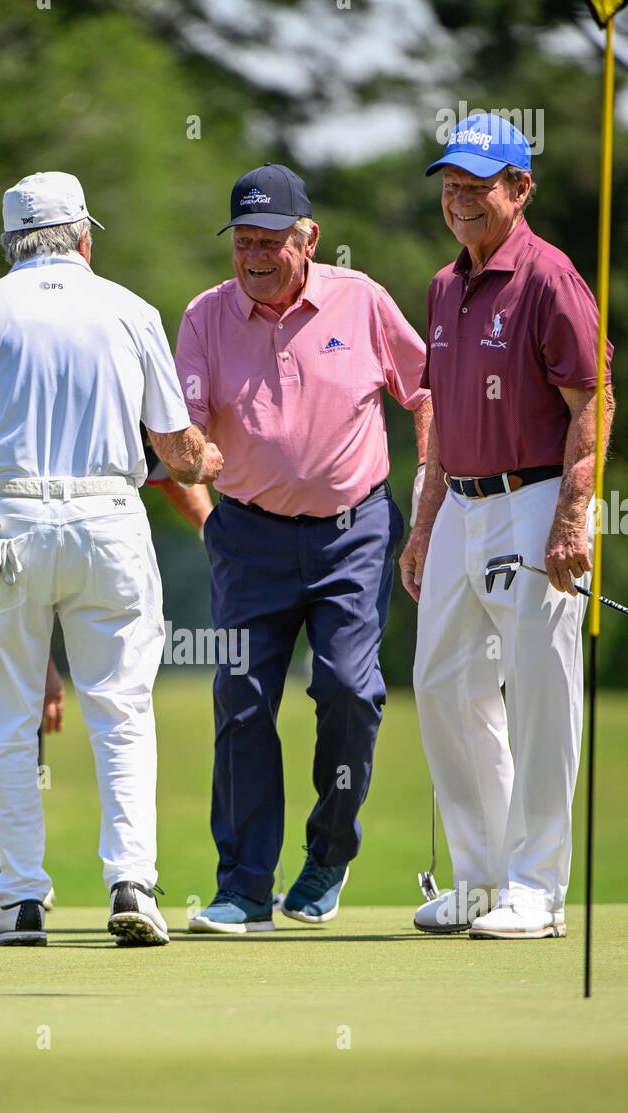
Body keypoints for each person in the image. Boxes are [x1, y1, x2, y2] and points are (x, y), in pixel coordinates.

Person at [0, 170, 221, 947]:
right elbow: (173, 450)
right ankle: (132, 882)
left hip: (8, 525)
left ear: (10, 245)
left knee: (3, 717)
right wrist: (211, 460)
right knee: (122, 712)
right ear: (84, 237)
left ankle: (22, 900)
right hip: (109, 520)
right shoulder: (131, 309)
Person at [175, 162, 431, 934]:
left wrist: (428, 507)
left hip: (354, 534)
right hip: (248, 538)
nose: (254, 256)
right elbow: (180, 425)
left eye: (270, 241)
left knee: (350, 692)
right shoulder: (205, 316)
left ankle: (328, 854)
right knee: (243, 701)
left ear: (308, 237)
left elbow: (426, 393)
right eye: (242, 241)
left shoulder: (361, 299)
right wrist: (193, 462)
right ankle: (246, 886)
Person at [399, 115, 615, 940]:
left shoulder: (551, 278)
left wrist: (572, 519)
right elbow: (443, 421)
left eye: (476, 186)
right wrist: (423, 526)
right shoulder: (443, 286)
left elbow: (592, 399)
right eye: (449, 187)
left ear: (519, 189)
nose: (459, 201)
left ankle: (538, 887)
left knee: (538, 691)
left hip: (534, 497)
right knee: (446, 686)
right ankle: (481, 876)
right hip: (460, 502)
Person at [0, 437, 213, 897]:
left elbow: (165, 463)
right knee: (5, 694)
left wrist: (209, 527)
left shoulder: (119, 395)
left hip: (34, 540)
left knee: (25, 692)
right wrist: (43, 669)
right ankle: (4, 861)